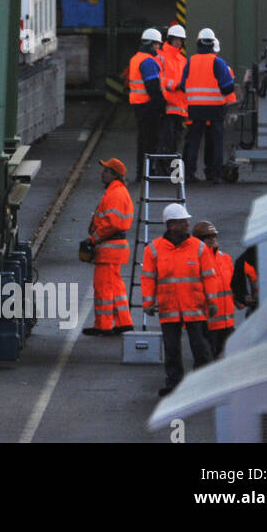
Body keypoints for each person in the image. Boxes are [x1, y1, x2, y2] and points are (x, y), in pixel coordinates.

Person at [142, 203, 220, 396]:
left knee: (200, 348)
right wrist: (148, 302)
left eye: (186, 221)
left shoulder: (198, 247)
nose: (187, 224)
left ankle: (202, 383)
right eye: (183, 221)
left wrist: (212, 302)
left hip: (194, 306)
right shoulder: (154, 249)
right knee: (171, 348)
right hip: (170, 307)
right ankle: (174, 384)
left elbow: (209, 276)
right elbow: (148, 277)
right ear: (171, 225)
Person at [82, 158, 136, 336]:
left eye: (105, 170)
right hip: (114, 247)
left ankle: (103, 325)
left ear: (113, 174)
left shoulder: (115, 194)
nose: (102, 173)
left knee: (103, 287)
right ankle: (123, 322)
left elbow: (111, 224)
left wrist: (93, 239)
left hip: (110, 247)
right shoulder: (118, 192)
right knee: (115, 287)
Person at [179, 28, 237, 184]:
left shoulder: (191, 61)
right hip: (215, 108)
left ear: (198, 42)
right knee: (217, 142)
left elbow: (182, 85)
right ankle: (215, 174)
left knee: (194, 142)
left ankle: (189, 174)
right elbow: (227, 87)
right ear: (213, 44)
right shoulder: (218, 62)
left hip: (195, 107)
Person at [128, 28, 166, 182]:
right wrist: (161, 104)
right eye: (157, 44)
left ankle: (141, 173)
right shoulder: (148, 61)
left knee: (142, 139)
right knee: (151, 140)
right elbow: (153, 87)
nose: (159, 48)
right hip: (148, 106)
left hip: (138, 104)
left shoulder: (135, 58)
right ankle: (148, 173)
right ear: (152, 44)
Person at [194, 221, 235, 358]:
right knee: (208, 358)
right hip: (208, 323)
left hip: (227, 321)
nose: (212, 239)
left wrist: (240, 300)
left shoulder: (225, 258)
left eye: (214, 236)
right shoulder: (196, 261)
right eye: (208, 236)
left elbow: (232, 284)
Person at [159, 24, 188, 155]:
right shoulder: (161, 56)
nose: (178, 42)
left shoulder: (183, 60)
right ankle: (161, 169)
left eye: (180, 40)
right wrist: (176, 85)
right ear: (169, 39)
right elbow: (158, 79)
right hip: (166, 105)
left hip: (180, 108)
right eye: (175, 39)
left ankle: (169, 170)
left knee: (176, 142)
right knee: (166, 141)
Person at [231, 245, 260, 317]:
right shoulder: (244, 261)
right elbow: (237, 285)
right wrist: (244, 297)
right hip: (256, 307)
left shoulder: (244, 260)